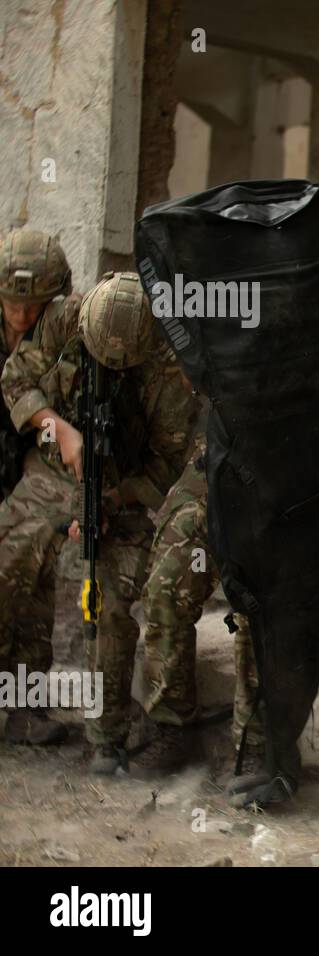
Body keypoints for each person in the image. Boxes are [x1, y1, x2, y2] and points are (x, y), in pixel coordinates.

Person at [0, 272, 193, 773]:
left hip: (123, 490)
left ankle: (106, 736)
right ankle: (19, 705)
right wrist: (54, 426)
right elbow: (15, 380)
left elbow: (167, 460)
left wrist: (110, 501)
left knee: (107, 599)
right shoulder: (65, 316)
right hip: (52, 468)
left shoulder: (169, 364)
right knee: (10, 557)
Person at [133, 408, 262, 776]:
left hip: (280, 456)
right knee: (165, 585)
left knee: (259, 594)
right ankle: (172, 725)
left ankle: (257, 744)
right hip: (218, 451)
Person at [0, 229, 76, 745]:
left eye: (35, 307)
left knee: (36, 569)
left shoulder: (65, 334)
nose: (22, 318)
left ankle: (24, 704)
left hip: (31, 466)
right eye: (13, 304)